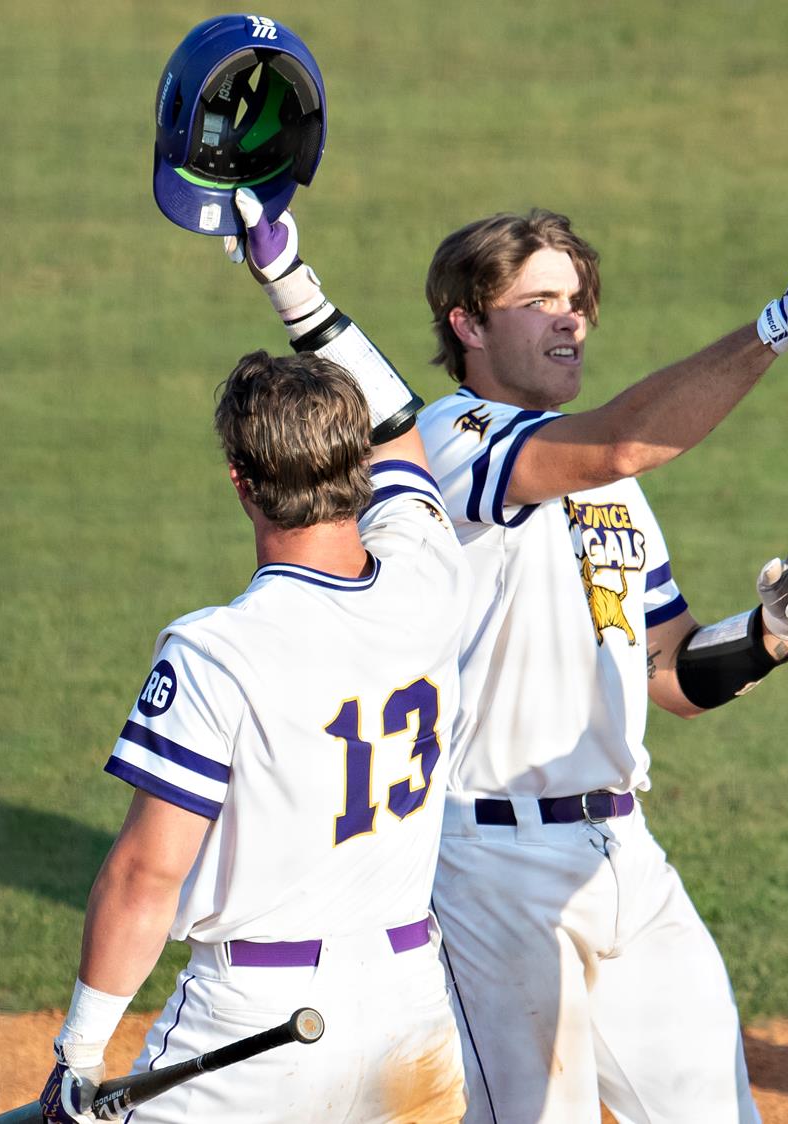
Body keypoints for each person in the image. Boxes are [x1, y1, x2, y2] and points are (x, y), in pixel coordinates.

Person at [241, 199, 788, 1121]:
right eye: (538, 300)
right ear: (469, 324)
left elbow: (671, 673)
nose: (570, 316)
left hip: (624, 856)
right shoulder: (452, 442)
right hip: (490, 866)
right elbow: (617, 438)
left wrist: (771, 632)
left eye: (576, 298)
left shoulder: (615, 493)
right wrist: (775, 328)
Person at [30, 339, 471, 1122]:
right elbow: (403, 432)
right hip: (413, 1014)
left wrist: (80, 1054)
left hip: (259, 1029)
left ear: (242, 482)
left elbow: (146, 876)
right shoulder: (432, 575)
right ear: (358, 471)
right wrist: (293, 283)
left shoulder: (217, 651)